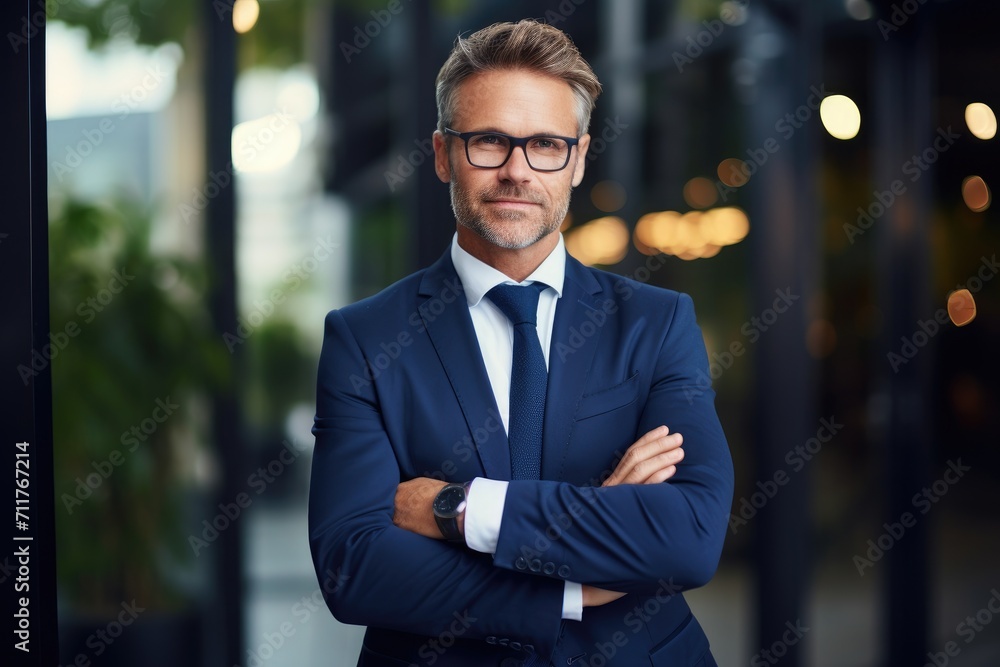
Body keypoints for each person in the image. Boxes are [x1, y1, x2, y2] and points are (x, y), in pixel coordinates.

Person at [309, 19, 734, 667]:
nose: (516, 170)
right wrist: (574, 579)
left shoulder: (656, 322)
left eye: (545, 145)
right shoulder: (365, 338)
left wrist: (461, 508)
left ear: (580, 156)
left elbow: (690, 535)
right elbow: (354, 565)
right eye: (488, 142)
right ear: (443, 152)